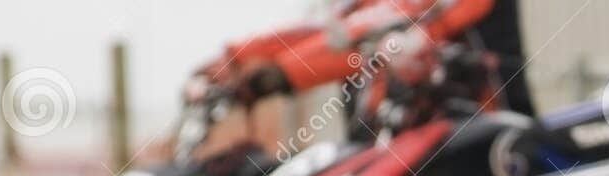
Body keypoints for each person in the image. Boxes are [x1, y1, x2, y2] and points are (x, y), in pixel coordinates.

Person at [198, 0, 532, 116]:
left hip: (488, 121)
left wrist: (284, 73)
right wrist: (233, 59)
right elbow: (331, 32)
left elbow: (383, 28)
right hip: (399, 130)